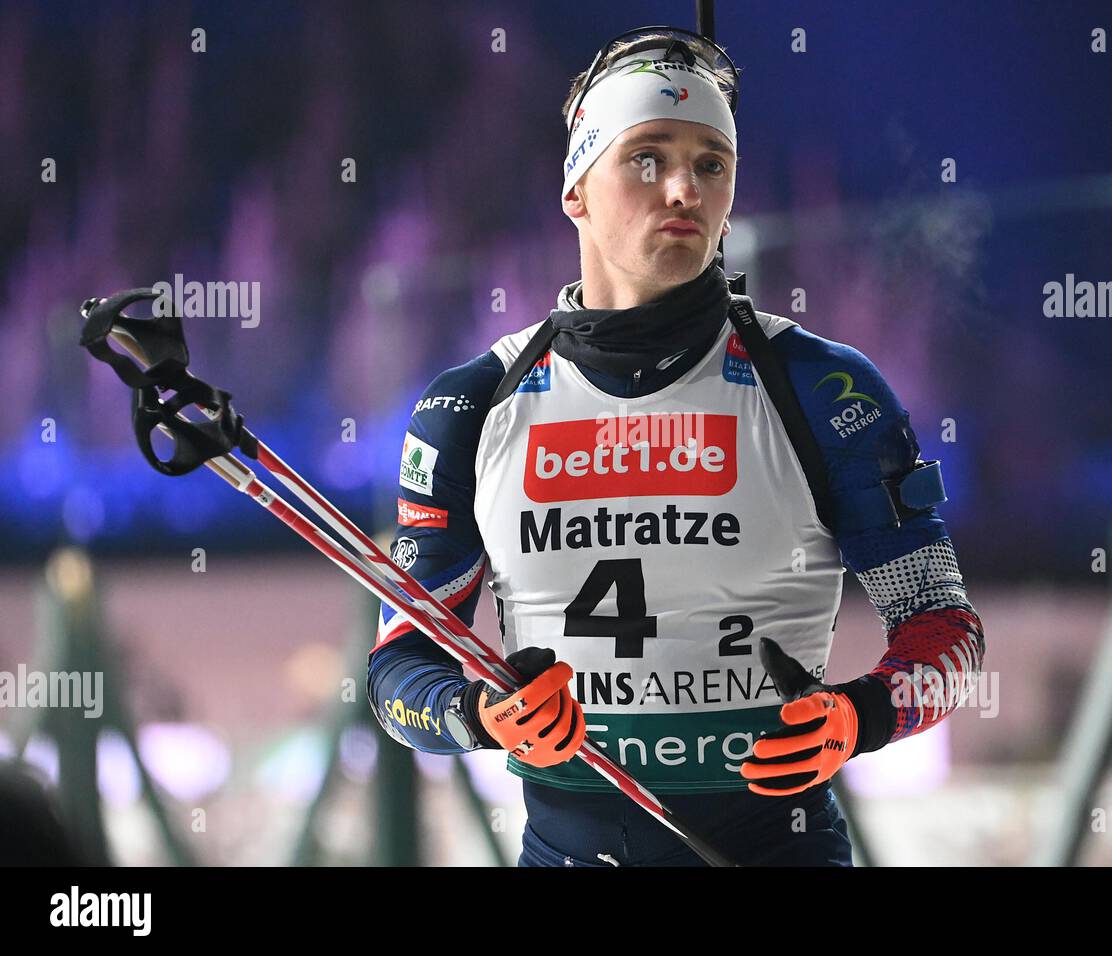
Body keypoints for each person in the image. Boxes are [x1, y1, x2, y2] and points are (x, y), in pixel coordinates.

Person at [367, 27, 985, 867]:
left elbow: (945, 628)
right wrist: (480, 715)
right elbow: (397, 669)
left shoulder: (822, 389)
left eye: (711, 163)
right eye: (647, 158)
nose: (684, 188)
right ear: (576, 189)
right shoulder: (472, 405)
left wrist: (860, 717)